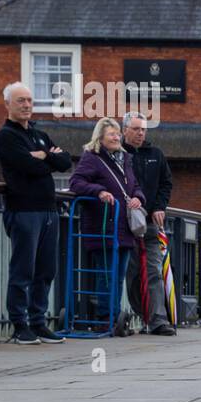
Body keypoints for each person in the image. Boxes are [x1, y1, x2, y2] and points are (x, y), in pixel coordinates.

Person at [0, 82, 71, 344]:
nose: (27, 105)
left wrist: (43, 156)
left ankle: (39, 322)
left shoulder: (39, 135)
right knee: (22, 269)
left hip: (49, 210)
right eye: (20, 101)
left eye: (29, 100)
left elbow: (66, 161)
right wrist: (45, 158)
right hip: (24, 210)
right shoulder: (6, 136)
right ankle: (19, 325)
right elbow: (26, 166)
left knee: (46, 270)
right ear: (7, 105)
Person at [69, 117, 146, 335]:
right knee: (106, 275)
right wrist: (98, 191)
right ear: (100, 137)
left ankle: (114, 318)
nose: (116, 137)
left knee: (119, 275)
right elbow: (76, 182)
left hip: (124, 227)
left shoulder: (125, 159)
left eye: (117, 133)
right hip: (102, 227)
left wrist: (138, 197)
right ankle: (106, 319)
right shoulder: (92, 158)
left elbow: (135, 185)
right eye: (111, 134)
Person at [121, 111, 175, 336]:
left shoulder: (155, 154)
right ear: (124, 130)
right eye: (135, 129)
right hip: (123, 224)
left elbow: (166, 183)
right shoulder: (118, 154)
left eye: (143, 129)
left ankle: (158, 321)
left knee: (153, 270)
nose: (140, 133)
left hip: (150, 222)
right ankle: (139, 314)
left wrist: (160, 206)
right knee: (131, 274)